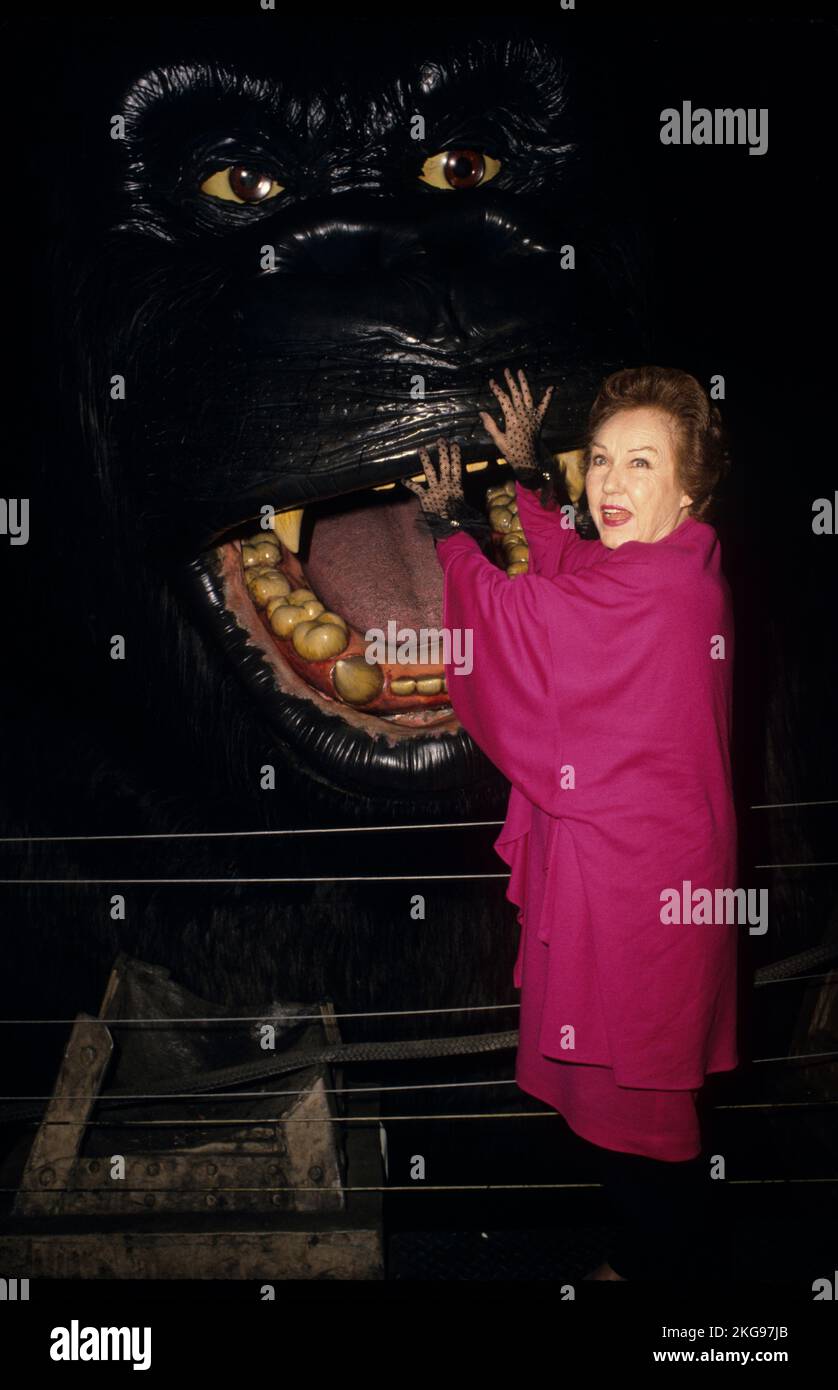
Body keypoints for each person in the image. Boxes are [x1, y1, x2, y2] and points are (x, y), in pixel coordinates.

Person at [402, 365, 737, 1281]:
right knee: (623, 1107)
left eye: (640, 464)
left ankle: (681, 1289)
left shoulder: (664, 593)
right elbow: (583, 563)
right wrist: (534, 483)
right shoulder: (678, 562)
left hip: (636, 894)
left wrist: (450, 534)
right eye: (598, 462)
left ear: (690, 487)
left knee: (633, 1122)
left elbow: (519, 619)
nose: (611, 484)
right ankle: (646, 1261)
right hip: (647, 869)